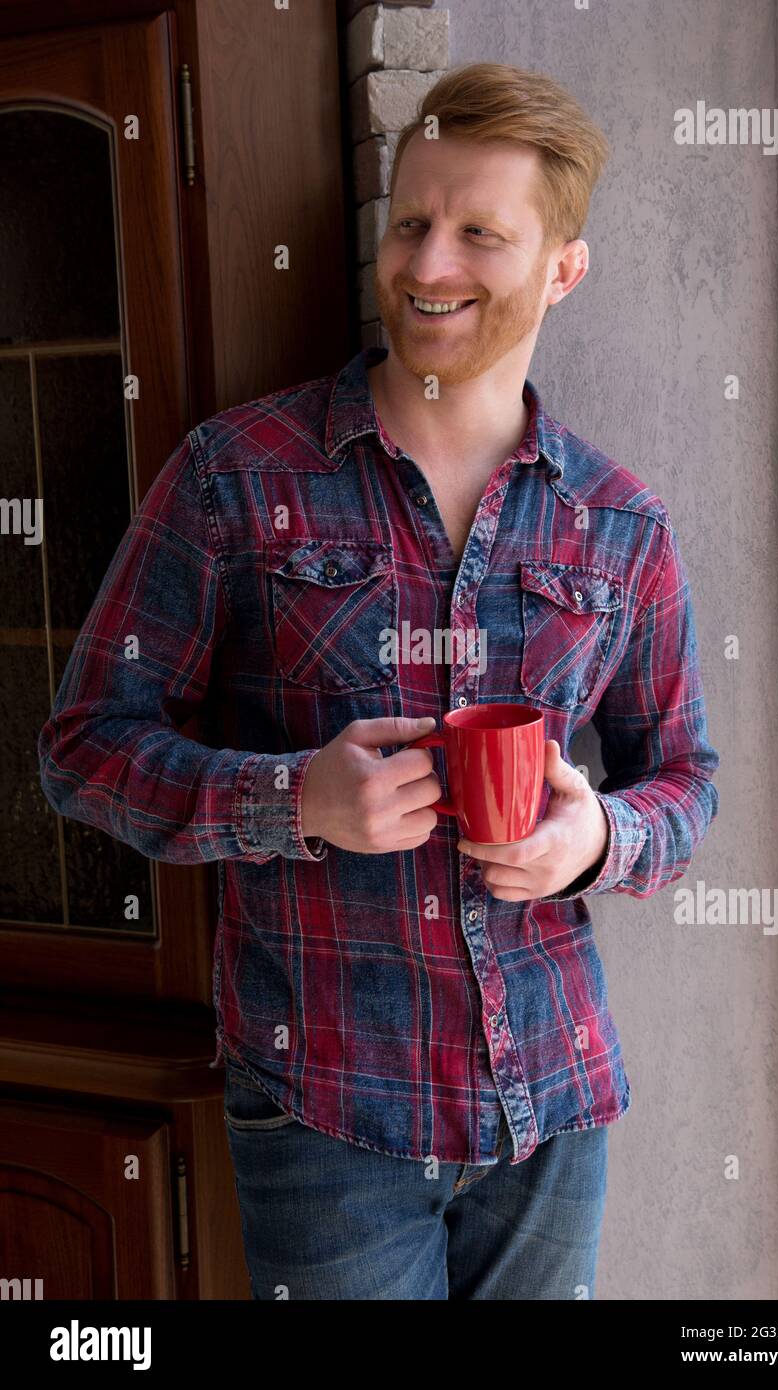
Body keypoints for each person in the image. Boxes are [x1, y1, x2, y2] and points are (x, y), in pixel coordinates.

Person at [39, 62, 720, 1300]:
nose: (427, 265)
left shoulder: (621, 525)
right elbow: (83, 747)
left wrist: (599, 837)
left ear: (562, 267)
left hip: (552, 1112)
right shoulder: (236, 475)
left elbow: (688, 781)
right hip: (327, 1113)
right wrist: (296, 800)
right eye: (411, 222)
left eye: (479, 234)